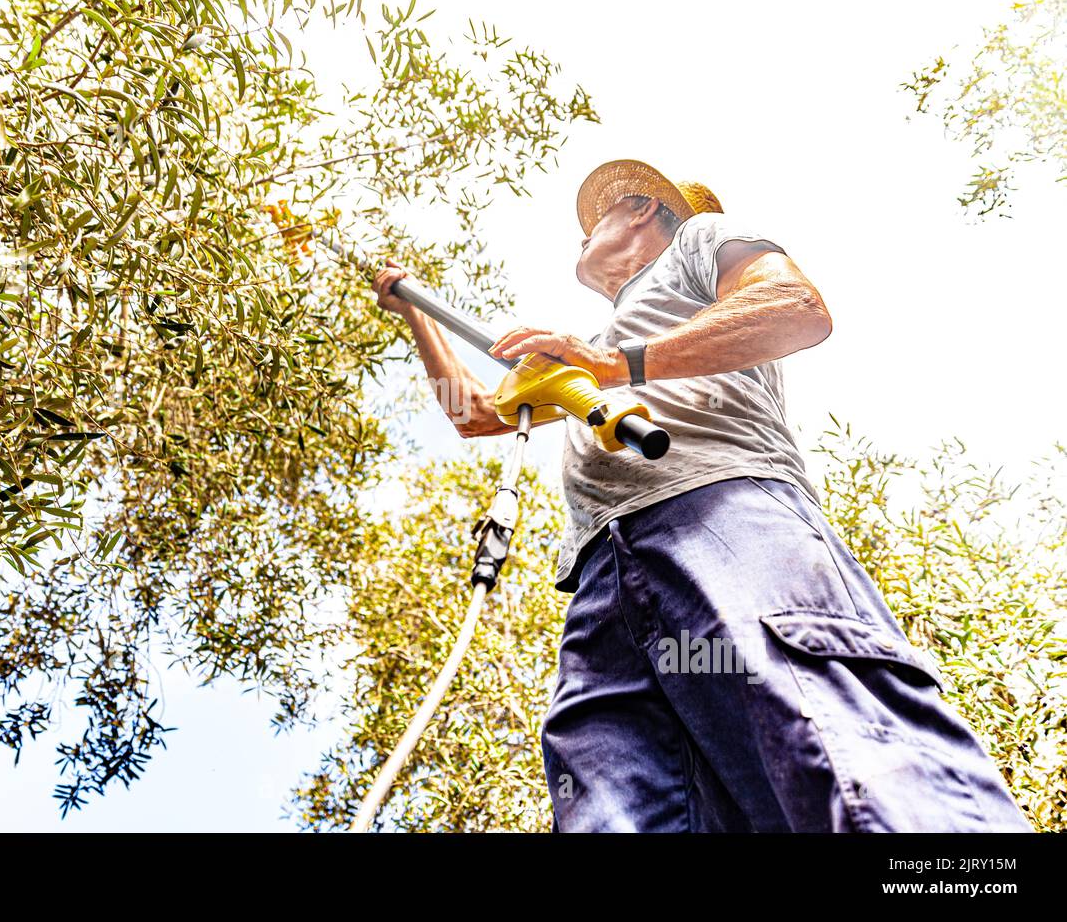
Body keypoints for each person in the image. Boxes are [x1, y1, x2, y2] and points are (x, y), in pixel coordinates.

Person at [370, 158, 1032, 832]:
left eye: (597, 215)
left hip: (722, 511)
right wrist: (415, 313)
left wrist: (617, 367)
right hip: (606, 576)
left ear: (642, 209)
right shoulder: (592, 346)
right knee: (617, 802)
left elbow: (795, 309)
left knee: (822, 733)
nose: (582, 234)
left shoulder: (700, 243)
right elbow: (474, 411)